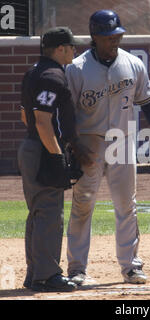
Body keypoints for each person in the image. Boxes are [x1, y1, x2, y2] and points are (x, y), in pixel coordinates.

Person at [65, 9, 150, 286]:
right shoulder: (76, 69)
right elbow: (67, 115)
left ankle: (132, 266)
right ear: (95, 37)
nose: (115, 41)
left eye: (118, 36)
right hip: (89, 142)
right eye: (109, 37)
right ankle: (76, 268)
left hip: (123, 141)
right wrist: (73, 147)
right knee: (82, 205)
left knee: (127, 206)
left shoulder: (133, 64)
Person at [18, 26, 92, 292]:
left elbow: (26, 115)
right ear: (60, 49)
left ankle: (35, 273)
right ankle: (46, 276)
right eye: (72, 46)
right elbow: (41, 120)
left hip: (32, 147)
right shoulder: (52, 76)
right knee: (49, 214)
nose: (75, 50)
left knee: (38, 213)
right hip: (43, 149)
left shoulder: (35, 71)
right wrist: (57, 156)